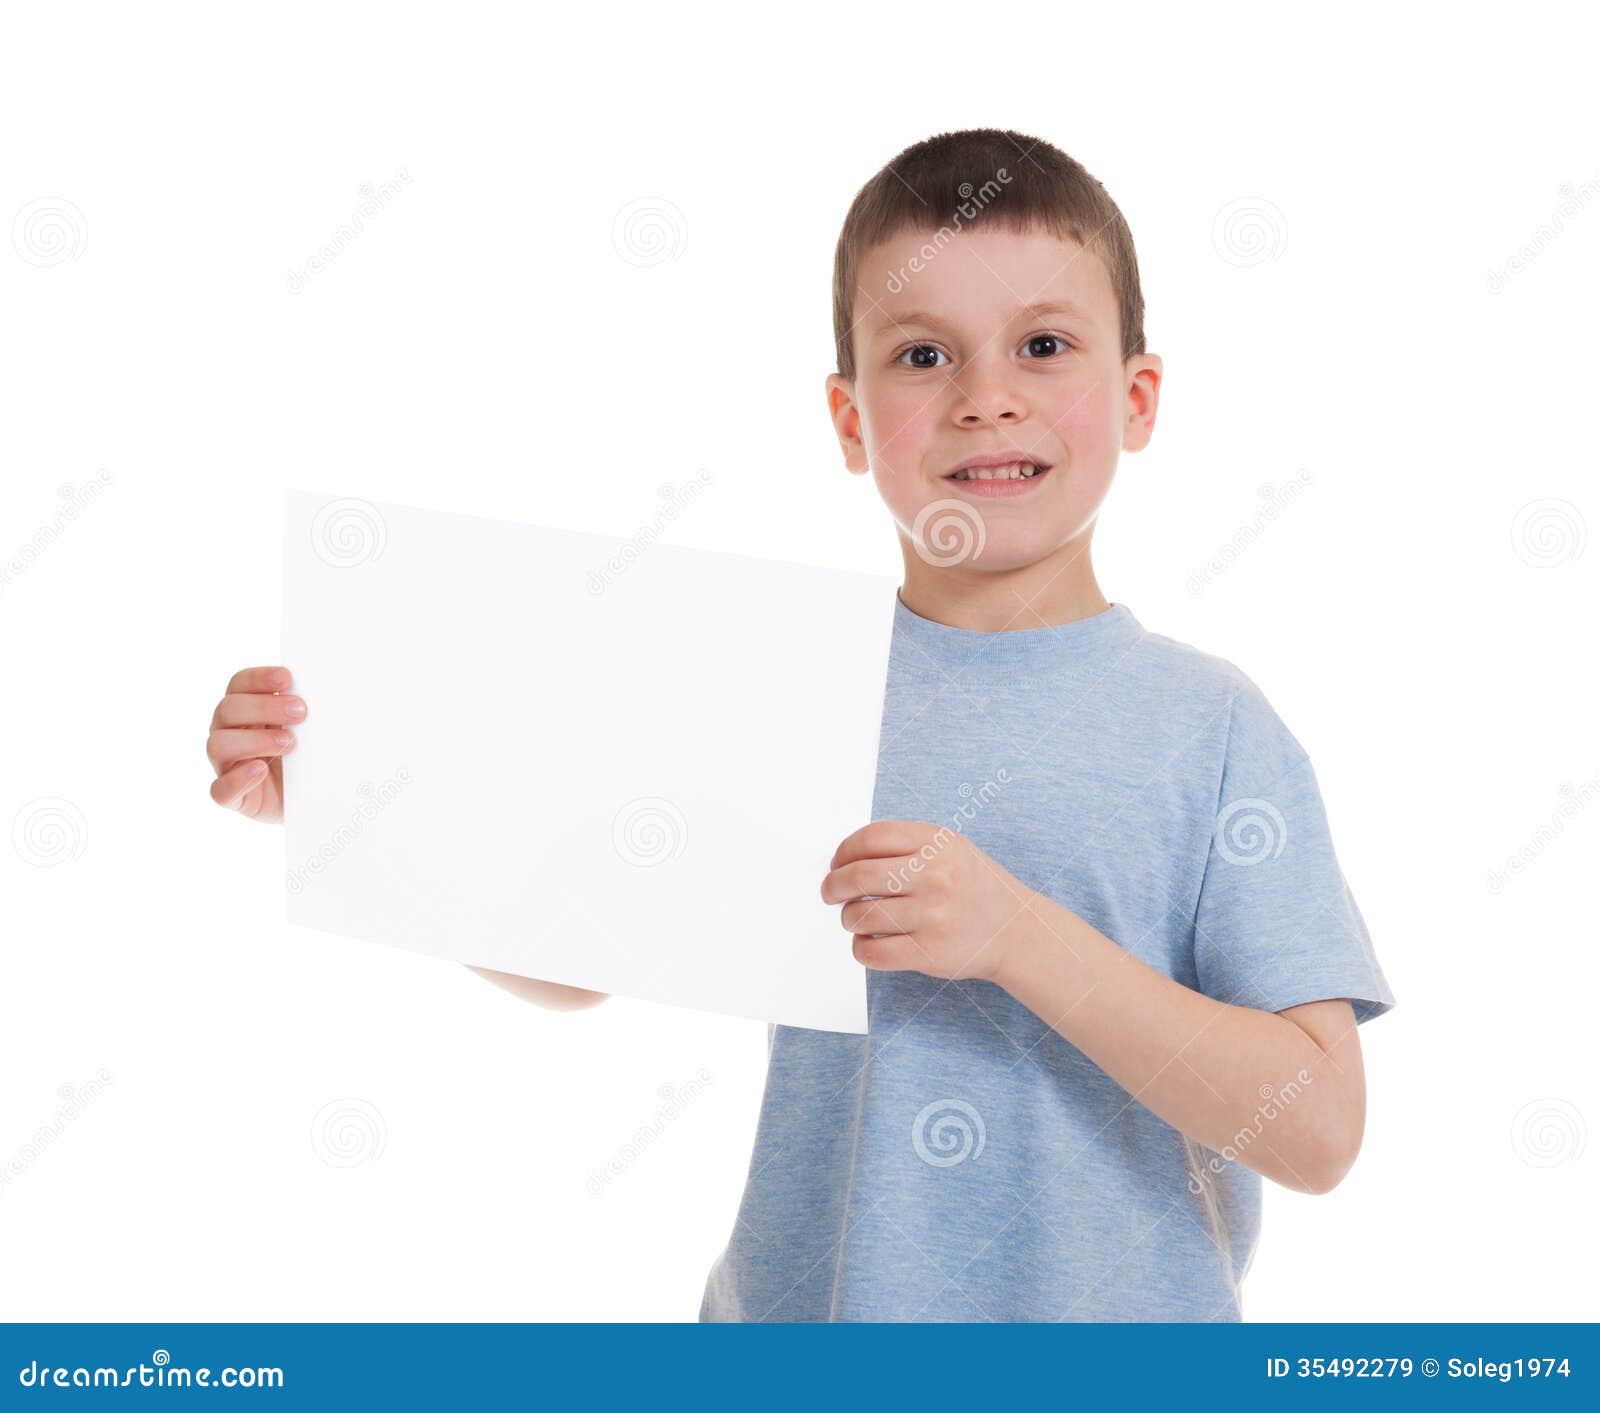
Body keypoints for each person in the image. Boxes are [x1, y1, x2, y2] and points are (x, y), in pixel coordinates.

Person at [206, 127, 1395, 1322]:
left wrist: (1013, 935)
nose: (986, 397)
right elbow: (582, 964)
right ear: (848, 420)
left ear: (1136, 398)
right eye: (924, 354)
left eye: (1043, 345)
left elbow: (1316, 1130)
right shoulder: (776, 687)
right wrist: (350, 800)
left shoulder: (1213, 726)